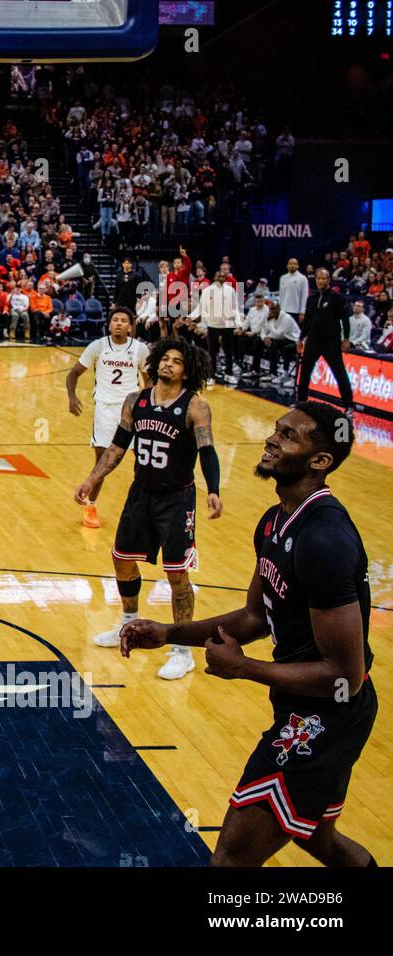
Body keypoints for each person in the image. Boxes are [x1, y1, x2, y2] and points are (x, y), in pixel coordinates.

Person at [121, 402, 377, 867]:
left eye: (289, 436)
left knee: (232, 857)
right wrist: (168, 633)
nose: (272, 439)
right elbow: (256, 617)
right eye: (276, 430)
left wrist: (245, 668)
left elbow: (346, 676)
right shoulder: (274, 520)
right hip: (305, 701)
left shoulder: (324, 540)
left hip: (327, 715)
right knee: (316, 837)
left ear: (321, 462)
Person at [74, 338, 222, 681]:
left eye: (176, 361)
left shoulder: (195, 406)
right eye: (165, 359)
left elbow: (207, 452)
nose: (168, 364)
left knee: (177, 576)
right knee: (121, 558)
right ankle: (129, 624)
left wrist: (213, 490)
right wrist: (90, 480)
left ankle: (182, 651)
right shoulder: (135, 401)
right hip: (140, 494)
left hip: (177, 500)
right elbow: (115, 449)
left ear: (188, 371)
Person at [65, 306, 150, 528]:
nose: (119, 323)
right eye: (115, 320)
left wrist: (146, 401)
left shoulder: (140, 349)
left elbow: (150, 379)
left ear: (131, 326)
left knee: (142, 460)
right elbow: (73, 374)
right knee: (102, 460)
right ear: (109, 324)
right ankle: (91, 505)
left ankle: (144, 508)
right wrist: (72, 398)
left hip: (131, 410)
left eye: (123, 320)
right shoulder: (98, 346)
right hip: (104, 408)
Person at [296, 268, 353, 409]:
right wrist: (301, 338)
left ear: (328, 280)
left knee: (339, 373)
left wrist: (346, 338)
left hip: (331, 342)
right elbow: (307, 320)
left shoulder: (336, 298)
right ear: (315, 280)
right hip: (313, 340)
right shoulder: (311, 298)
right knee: (304, 373)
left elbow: (345, 319)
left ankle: (349, 406)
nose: (320, 281)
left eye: (323, 278)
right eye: (318, 278)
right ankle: (301, 403)